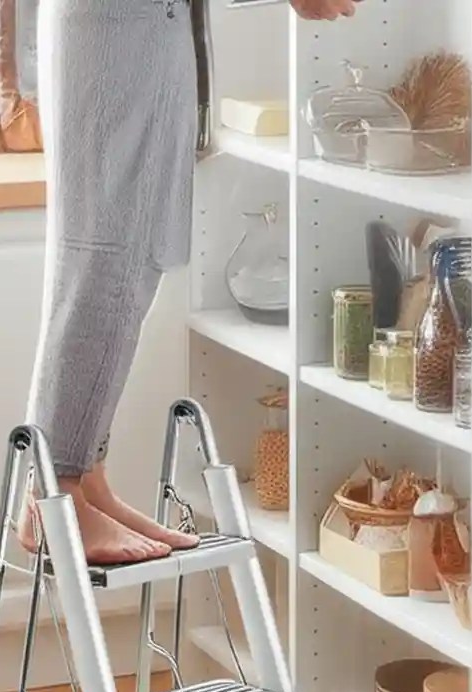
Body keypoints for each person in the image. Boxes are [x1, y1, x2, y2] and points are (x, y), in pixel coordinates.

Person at [20, 0, 358, 565]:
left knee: (130, 265)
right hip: (119, 34)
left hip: (138, 33)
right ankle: (54, 495)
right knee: (104, 267)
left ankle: (83, 477)